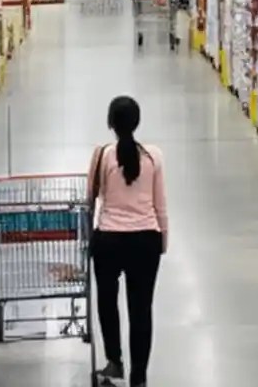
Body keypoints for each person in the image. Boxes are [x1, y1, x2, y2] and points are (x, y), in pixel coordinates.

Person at [89, 96, 168, 387]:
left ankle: (114, 362)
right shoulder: (153, 156)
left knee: (107, 303)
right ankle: (139, 377)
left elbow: (91, 200)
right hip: (146, 241)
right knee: (141, 309)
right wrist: (163, 241)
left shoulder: (102, 156)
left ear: (110, 123)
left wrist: (90, 239)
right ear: (137, 122)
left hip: (109, 240)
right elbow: (161, 204)